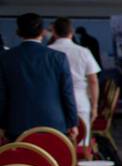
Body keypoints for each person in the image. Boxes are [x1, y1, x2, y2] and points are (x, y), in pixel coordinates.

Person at [0, 12, 78, 143]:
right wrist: (72, 122)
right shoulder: (58, 57)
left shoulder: (5, 57)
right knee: (54, 162)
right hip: (54, 125)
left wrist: (1, 124)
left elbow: (2, 95)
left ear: (18, 32)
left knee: (22, 162)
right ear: (42, 32)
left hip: (17, 125)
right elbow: (67, 93)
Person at [48, 17, 99, 142]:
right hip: (80, 100)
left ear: (53, 32)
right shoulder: (83, 52)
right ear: (72, 32)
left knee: (57, 144)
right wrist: (94, 106)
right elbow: (93, 81)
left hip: (53, 101)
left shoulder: (47, 51)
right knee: (81, 142)